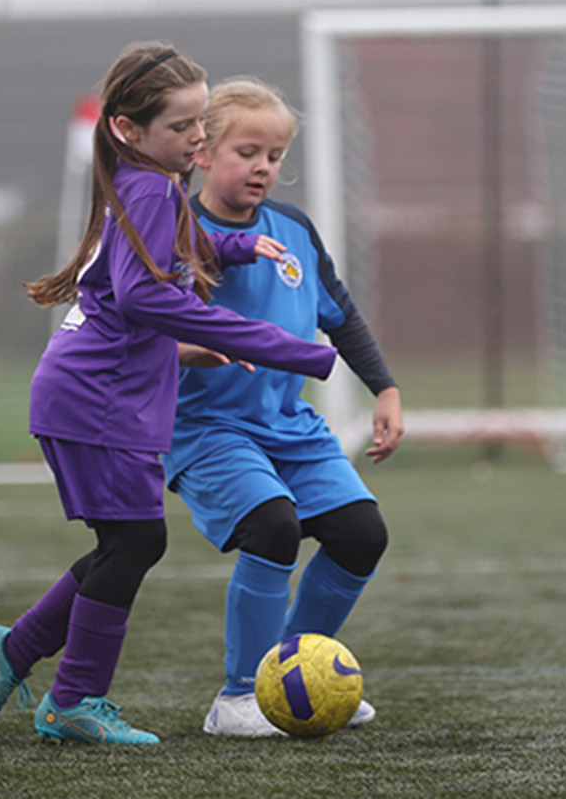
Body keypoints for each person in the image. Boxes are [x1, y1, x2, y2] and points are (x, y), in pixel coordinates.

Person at [0, 43, 339, 746]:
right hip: (96, 397)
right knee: (135, 541)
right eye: (181, 126)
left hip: (101, 393)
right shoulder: (149, 186)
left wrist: (236, 248)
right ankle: (72, 699)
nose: (198, 137)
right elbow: (148, 297)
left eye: (201, 121)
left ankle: (11, 654)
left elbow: (165, 251)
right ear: (127, 130)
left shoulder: (148, 184)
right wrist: (289, 348)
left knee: (125, 543)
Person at [162, 78, 403, 738]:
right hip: (207, 429)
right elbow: (136, 328)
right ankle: (239, 698)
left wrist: (384, 388)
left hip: (289, 425)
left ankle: (294, 675)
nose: (263, 167)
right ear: (203, 152)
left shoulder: (292, 229)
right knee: (274, 527)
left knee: (361, 534)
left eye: (273, 155)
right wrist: (191, 349)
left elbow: (341, 316)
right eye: (248, 151)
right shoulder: (171, 230)